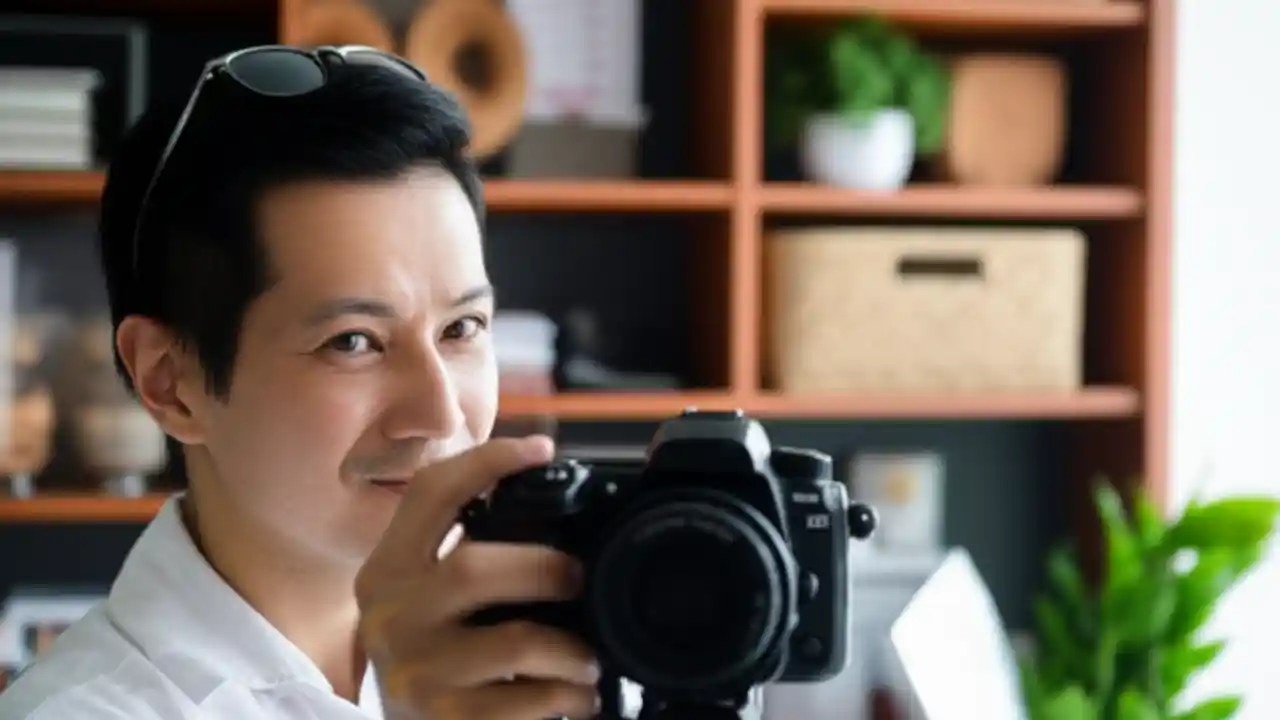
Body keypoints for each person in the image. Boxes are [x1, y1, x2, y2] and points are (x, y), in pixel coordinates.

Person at [0, 45, 601, 719]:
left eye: (461, 328)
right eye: (353, 342)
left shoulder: (570, 642)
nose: (441, 414)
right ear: (169, 380)